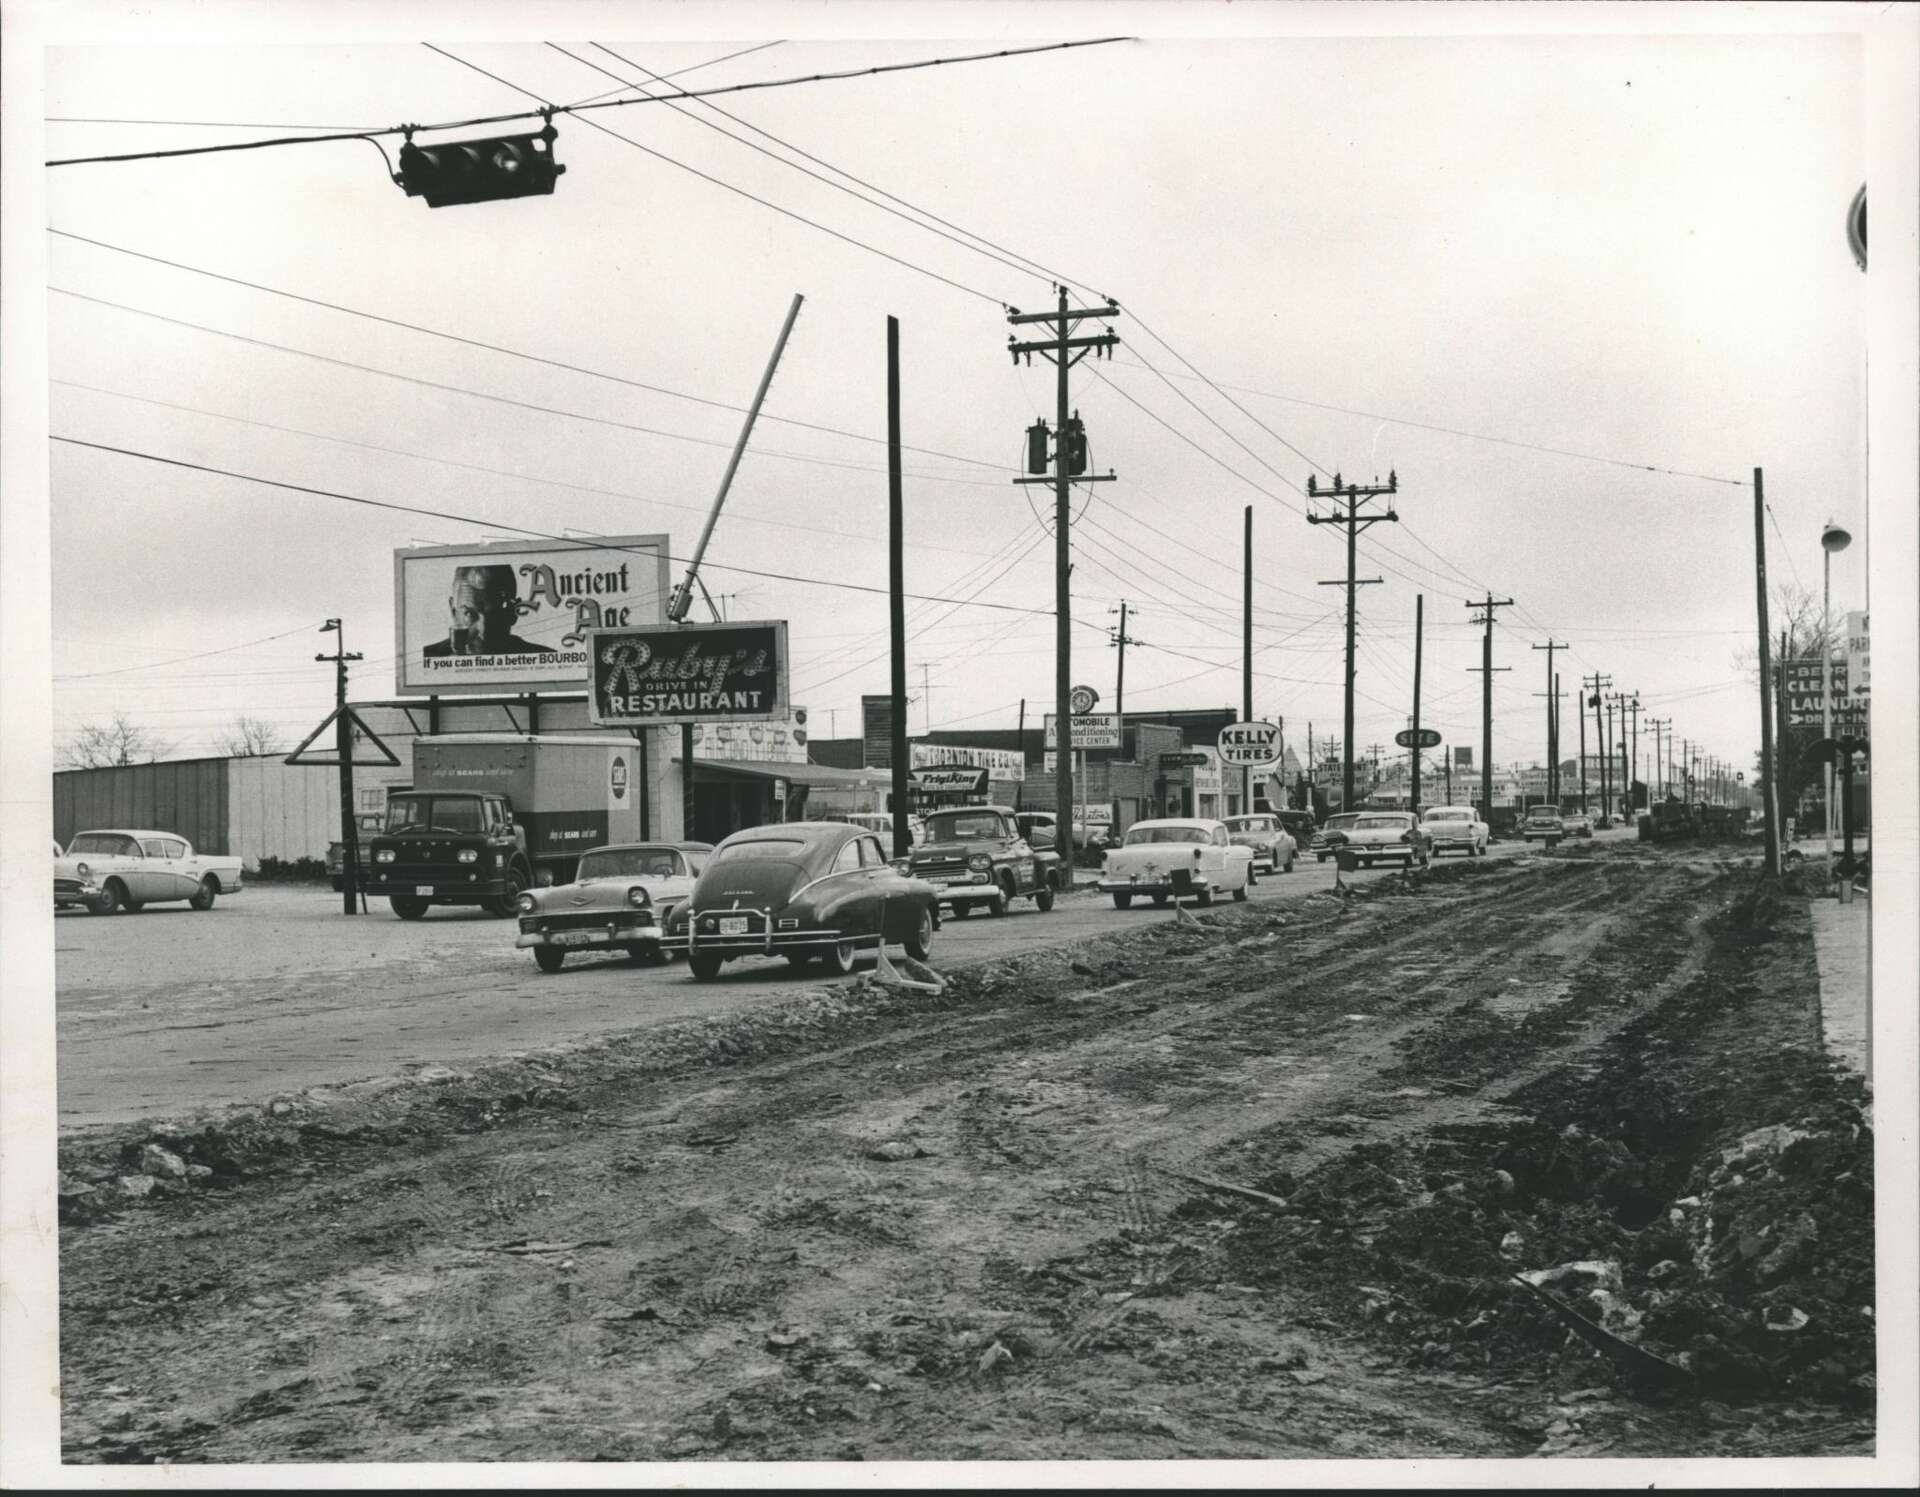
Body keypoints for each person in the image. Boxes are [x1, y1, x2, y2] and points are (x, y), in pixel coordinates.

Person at [422, 565, 555, 657]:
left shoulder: (546, 660)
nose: (484, 631)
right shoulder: (427, 658)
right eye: (469, 614)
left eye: (494, 614)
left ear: (513, 612)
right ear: (453, 611)